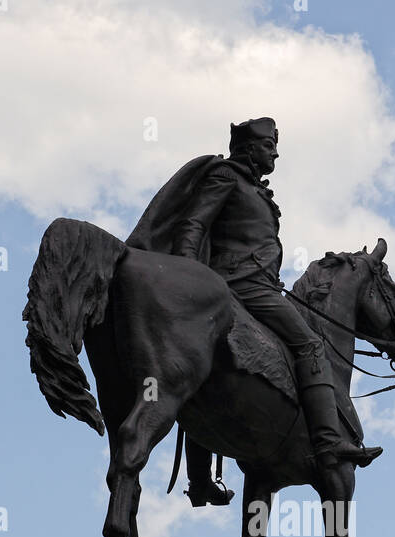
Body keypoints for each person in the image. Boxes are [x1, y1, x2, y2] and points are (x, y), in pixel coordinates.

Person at [126, 118, 381, 505]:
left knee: (201, 372)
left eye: (275, 145)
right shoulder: (227, 177)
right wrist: (187, 276)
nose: (275, 152)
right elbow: (194, 224)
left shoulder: (251, 188)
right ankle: (329, 442)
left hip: (254, 286)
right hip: (245, 287)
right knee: (311, 345)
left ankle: (200, 482)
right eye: (268, 144)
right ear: (248, 149)